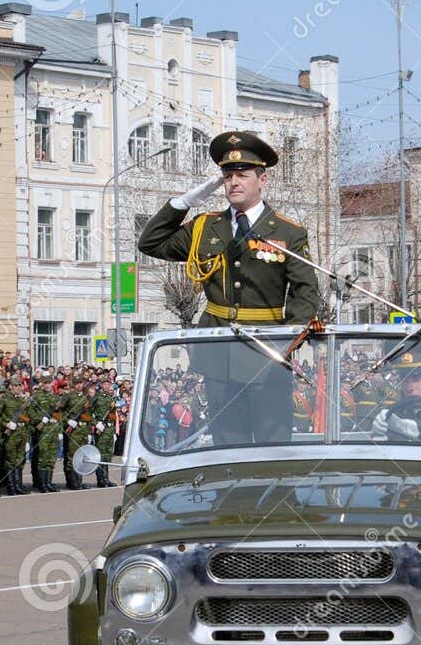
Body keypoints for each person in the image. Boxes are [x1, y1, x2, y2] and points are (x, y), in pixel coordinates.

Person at [136, 131, 323, 448]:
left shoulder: (287, 231)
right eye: (227, 175)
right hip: (218, 351)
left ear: (262, 179)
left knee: (272, 443)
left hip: (266, 351)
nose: (234, 182)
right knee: (227, 445)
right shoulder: (205, 227)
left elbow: (305, 294)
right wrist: (182, 204)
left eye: (242, 175)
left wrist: (284, 346)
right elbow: (150, 243)